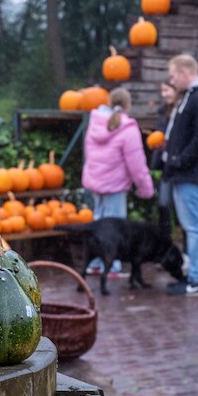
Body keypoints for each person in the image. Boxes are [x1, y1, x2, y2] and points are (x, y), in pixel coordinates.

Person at [81, 87, 155, 276]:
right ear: (128, 105)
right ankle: (111, 265)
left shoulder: (95, 121)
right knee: (115, 227)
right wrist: (146, 189)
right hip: (115, 185)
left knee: (99, 223)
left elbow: (90, 153)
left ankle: (96, 262)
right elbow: (136, 163)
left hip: (96, 183)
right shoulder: (128, 128)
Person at [162, 54, 198, 297]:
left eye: (174, 76)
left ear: (186, 73)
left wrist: (180, 159)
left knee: (195, 226)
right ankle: (192, 278)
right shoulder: (191, 96)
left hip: (191, 174)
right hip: (183, 173)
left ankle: (196, 280)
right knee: (191, 225)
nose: (172, 81)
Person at [149, 80, 180, 234]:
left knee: (181, 208)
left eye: (167, 90)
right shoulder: (163, 111)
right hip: (167, 163)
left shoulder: (183, 111)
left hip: (180, 164)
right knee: (163, 204)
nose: (164, 94)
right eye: (162, 91)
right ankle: (165, 239)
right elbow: (161, 133)